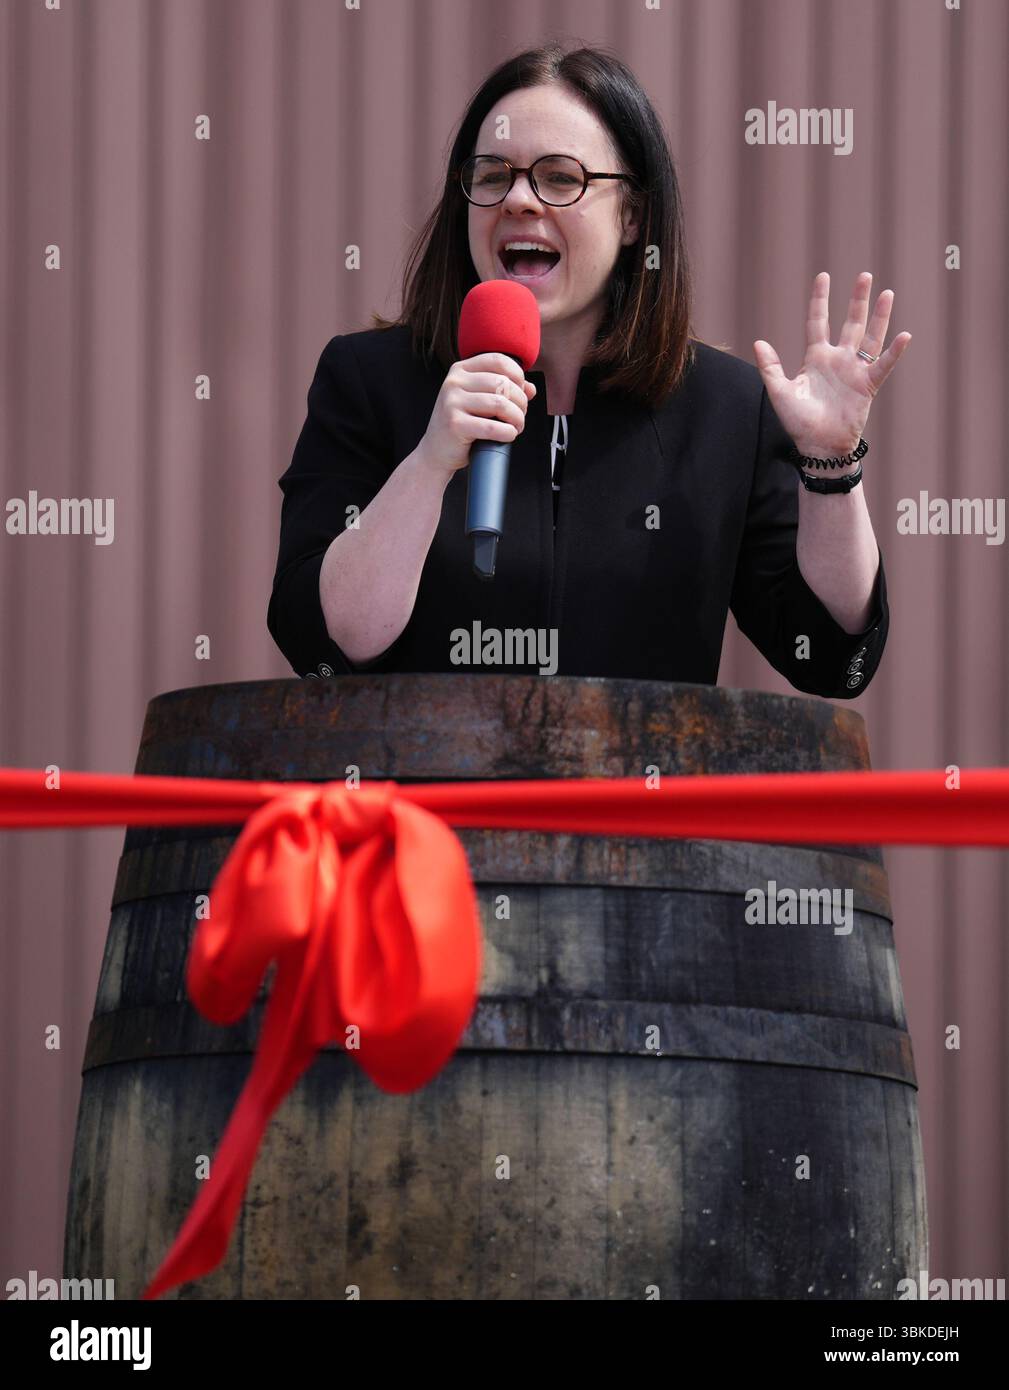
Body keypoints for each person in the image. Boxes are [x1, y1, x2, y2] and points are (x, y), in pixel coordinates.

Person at [268, 43, 909, 697]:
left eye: (559, 176)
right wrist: (429, 464)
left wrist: (831, 464)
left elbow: (830, 660)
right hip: (426, 798)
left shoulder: (727, 408)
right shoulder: (369, 380)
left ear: (632, 216)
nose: (518, 200)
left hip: (638, 795)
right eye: (492, 176)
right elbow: (323, 644)